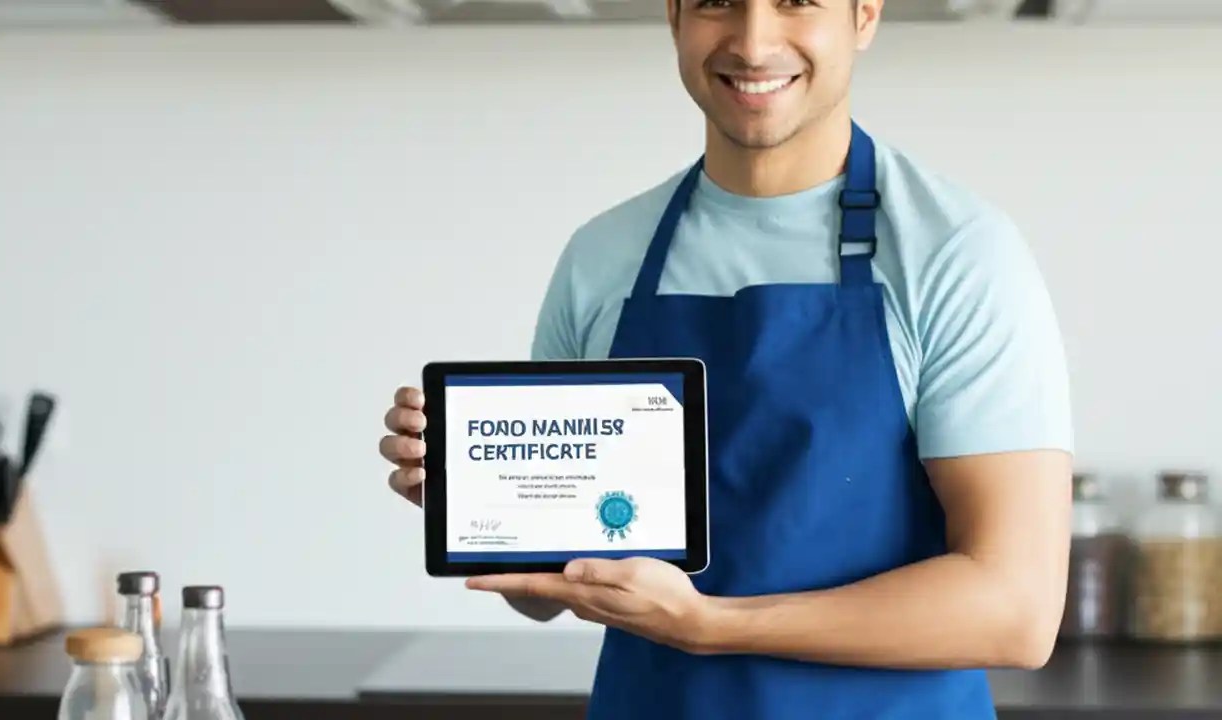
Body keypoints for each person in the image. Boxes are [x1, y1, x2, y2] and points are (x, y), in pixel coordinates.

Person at [379, 0, 1074, 718]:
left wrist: (711, 627)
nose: (752, 41)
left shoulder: (956, 255)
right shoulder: (604, 256)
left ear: (865, 15)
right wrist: (477, 507)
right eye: (717, 2)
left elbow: (1015, 609)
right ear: (676, 17)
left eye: (796, 2)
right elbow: (549, 595)